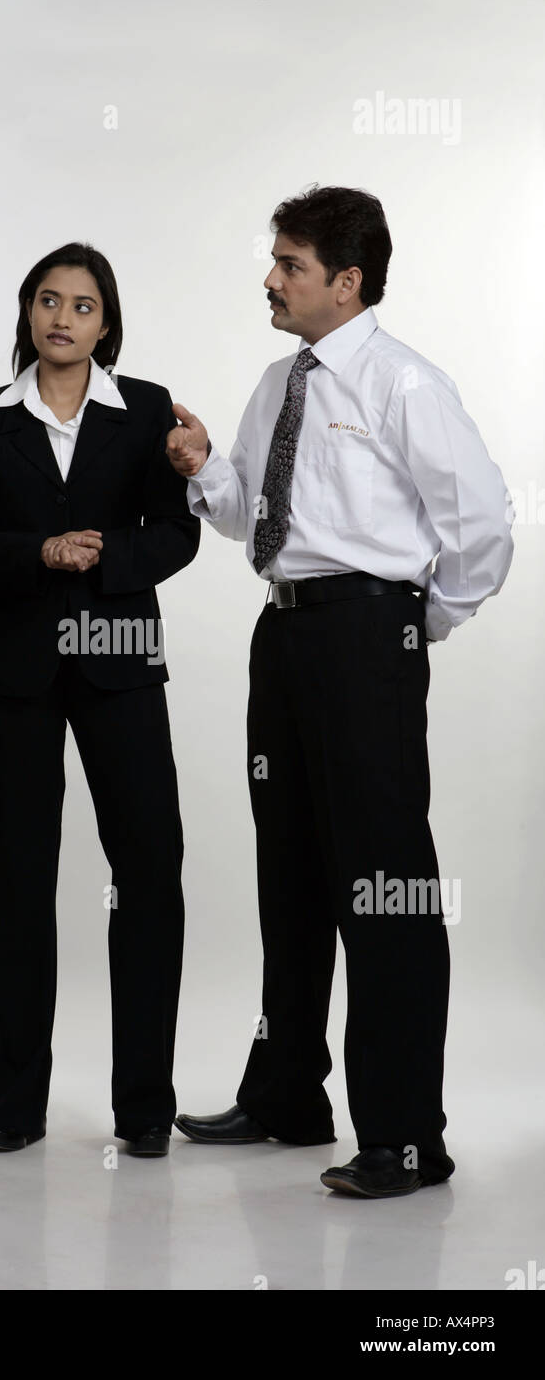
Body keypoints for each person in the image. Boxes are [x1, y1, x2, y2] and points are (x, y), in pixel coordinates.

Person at [166, 185, 513, 1197]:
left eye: (288, 266)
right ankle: (286, 1093)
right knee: (292, 873)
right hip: (281, 635)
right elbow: (249, 509)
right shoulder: (281, 380)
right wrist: (201, 471)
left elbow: (481, 523)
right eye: (273, 261)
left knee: (383, 885)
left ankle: (405, 1136)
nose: (268, 281)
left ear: (346, 281)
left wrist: (411, 621)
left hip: (365, 638)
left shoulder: (404, 384)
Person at [0, 241, 199, 1156]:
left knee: (150, 873)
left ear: (106, 321)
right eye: (47, 301)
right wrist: (37, 554)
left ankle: (144, 1111)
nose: (61, 318)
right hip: (12, 672)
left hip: (120, 661)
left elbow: (177, 533)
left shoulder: (145, 414)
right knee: (24, 882)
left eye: (82, 306)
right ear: (26, 313)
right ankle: (10, 1109)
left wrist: (105, 560)